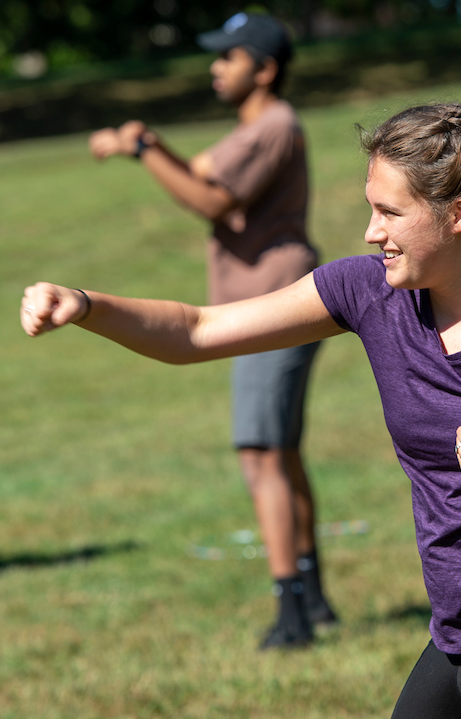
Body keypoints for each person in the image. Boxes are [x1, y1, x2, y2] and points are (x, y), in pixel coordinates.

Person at [23, 102, 461, 719]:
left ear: (458, 215)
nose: (371, 232)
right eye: (371, 208)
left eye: (390, 213)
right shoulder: (372, 295)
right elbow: (199, 330)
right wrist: (86, 305)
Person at [87, 12, 337, 649]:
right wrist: (147, 145)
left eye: (229, 56)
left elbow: (209, 200)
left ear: (265, 68)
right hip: (265, 305)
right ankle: (312, 594)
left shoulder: (274, 126)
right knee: (278, 450)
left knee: (259, 455)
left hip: (269, 307)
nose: (216, 66)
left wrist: (144, 150)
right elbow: (203, 173)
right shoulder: (255, 129)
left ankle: (291, 612)